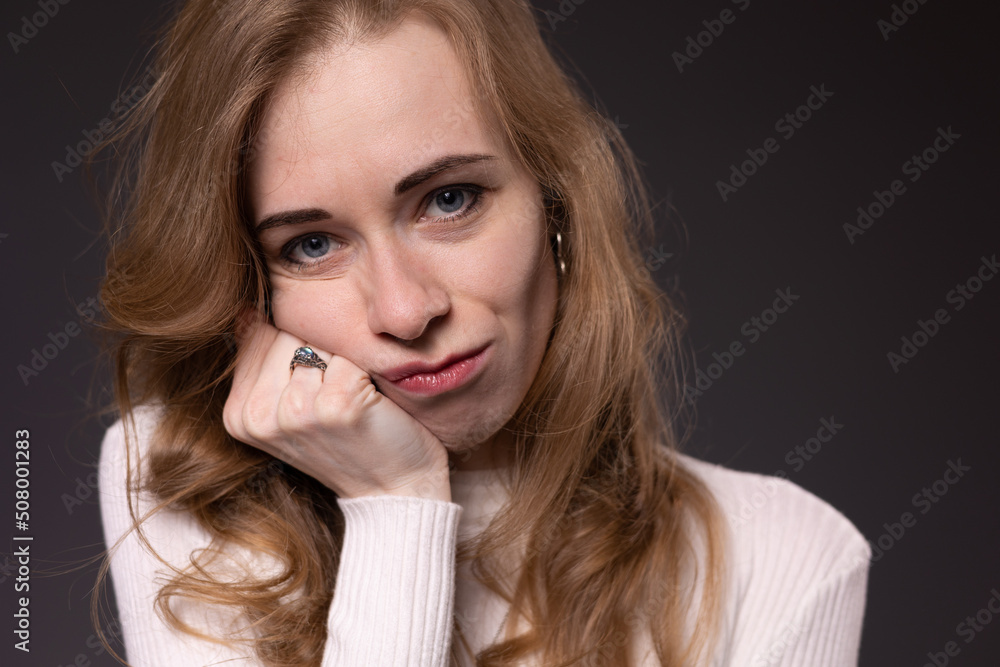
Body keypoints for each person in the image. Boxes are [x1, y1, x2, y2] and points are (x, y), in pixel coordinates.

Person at [95, 0, 871, 665]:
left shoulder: (785, 555)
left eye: (450, 199)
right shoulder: (174, 478)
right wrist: (397, 506)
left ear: (554, 195)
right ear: (246, 289)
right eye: (311, 245)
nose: (405, 310)